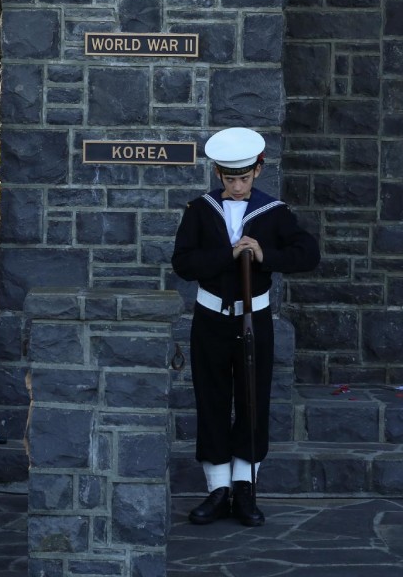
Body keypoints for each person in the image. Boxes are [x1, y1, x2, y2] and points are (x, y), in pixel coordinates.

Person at [171, 127, 320, 527]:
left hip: (255, 320)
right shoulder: (200, 210)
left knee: (253, 400)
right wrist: (228, 253)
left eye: (244, 178)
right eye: (229, 178)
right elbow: (183, 263)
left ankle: (245, 487)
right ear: (218, 174)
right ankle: (218, 488)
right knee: (212, 399)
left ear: (258, 170)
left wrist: (264, 253)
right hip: (210, 320)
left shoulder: (274, 212)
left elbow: (308, 254)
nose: (237, 187)